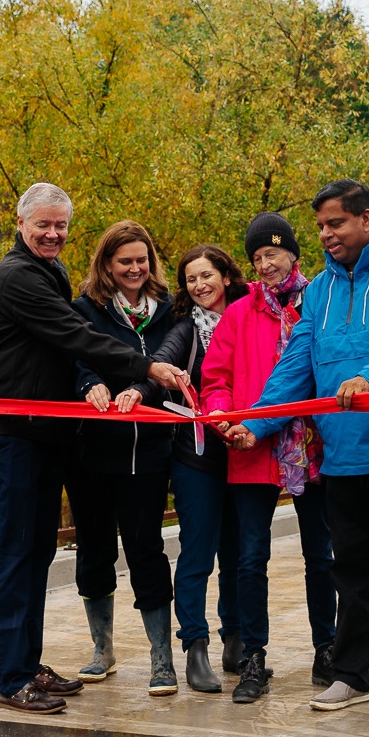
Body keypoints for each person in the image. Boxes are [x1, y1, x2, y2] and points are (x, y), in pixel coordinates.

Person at [226, 180, 369, 715]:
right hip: (343, 460)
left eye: (336, 223)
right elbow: (297, 364)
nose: (326, 235)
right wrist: (258, 423)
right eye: (321, 227)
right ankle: (351, 673)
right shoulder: (319, 292)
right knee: (350, 574)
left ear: (367, 221)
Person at [0, 184, 185, 715]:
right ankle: (11, 678)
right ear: (20, 223)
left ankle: (28, 663)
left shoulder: (53, 271)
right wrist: (145, 366)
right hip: (7, 434)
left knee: (38, 552)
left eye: (61, 225)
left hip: (46, 434)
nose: (52, 234)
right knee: (16, 554)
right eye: (43, 224)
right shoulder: (17, 275)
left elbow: (67, 352)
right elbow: (72, 334)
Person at [202, 212, 338, 705]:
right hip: (252, 449)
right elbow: (215, 379)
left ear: (294, 256)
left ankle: (327, 647)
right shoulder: (239, 313)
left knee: (320, 556)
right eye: (257, 257)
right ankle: (253, 656)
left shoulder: (322, 302)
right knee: (250, 558)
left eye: (273, 254)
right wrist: (220, 414)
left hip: (314, 449)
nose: (265, 265)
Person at [69, 220, 180, 696]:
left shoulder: (170, 311)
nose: (135, 268)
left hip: (148, 452)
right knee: (94, 548)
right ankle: (102, 649)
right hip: (91, 451)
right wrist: (86, 383)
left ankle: (161, 659)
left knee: (146, 549)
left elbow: (171, 362)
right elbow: (74, 356)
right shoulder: (84, 308)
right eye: (124, 261)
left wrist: (140, 388)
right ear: (107, 266)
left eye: (141, 260)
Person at [141, 244, 248, 692]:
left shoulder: (252, 319)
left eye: (207, 275)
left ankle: (236, 639)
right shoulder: (186, 330)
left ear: (226, 276)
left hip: (247, 454)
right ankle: (195, 648)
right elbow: (162, 359)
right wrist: (152, 375)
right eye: (190, 280)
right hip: (196, 459)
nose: (200, 285)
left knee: (241, 557)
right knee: (198, 555)